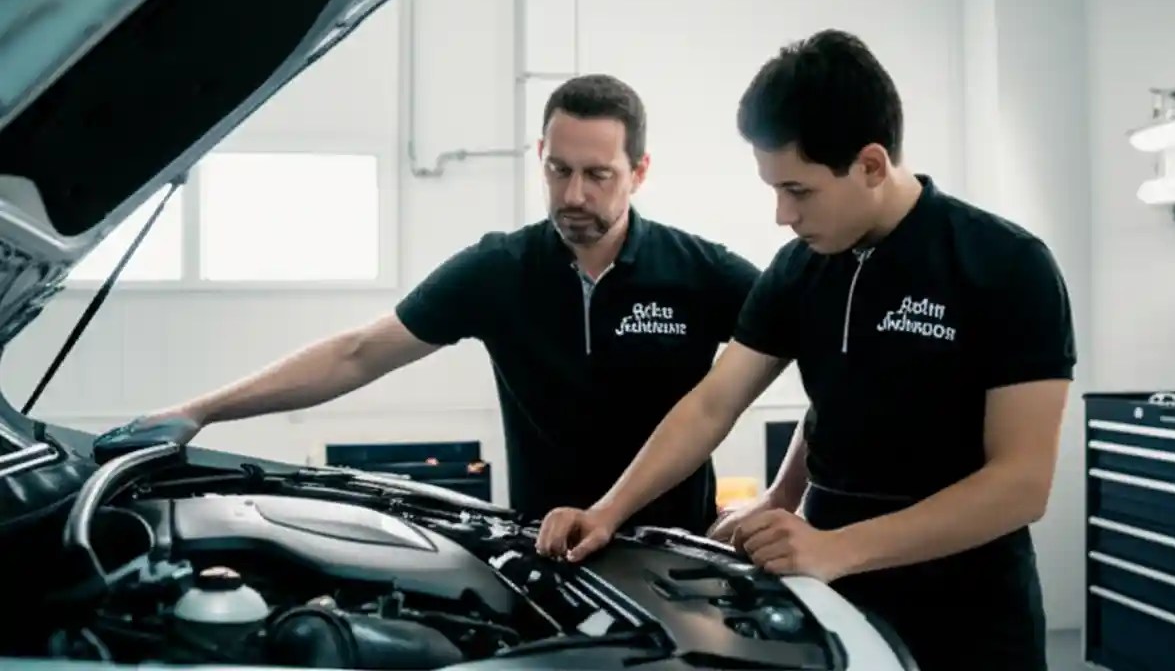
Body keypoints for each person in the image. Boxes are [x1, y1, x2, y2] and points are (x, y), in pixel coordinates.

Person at [534, 30, 1076, 671]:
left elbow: (1020, 484)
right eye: (774, 189)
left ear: (871, 165)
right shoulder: (800, 269)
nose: (781, 215)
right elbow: (716, 403)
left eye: (799, 191)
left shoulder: (1006, 266)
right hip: (833, 595)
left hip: (970, 610)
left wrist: (841, 547)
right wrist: (609, 511)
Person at [106, 73, 763, 534]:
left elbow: (825, 347)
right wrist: (196, 412)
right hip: (546, 558)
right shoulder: (498, 270)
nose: (573, 196)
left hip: (677, 559)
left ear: (639, 172)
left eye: (598, 176)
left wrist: (786, 498)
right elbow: (358, 354)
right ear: (540, 156)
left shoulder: (699, 272)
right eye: (558, 170)